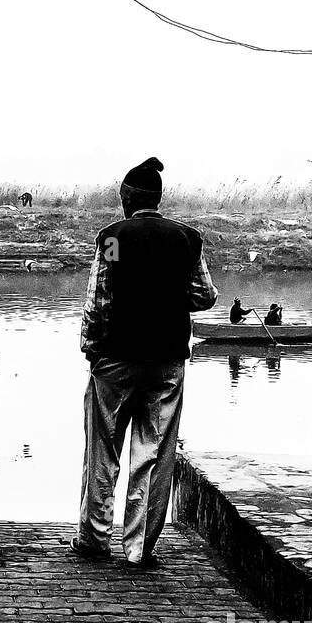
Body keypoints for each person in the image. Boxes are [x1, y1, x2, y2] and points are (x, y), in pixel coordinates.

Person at [72, 157, 219, 568]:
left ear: (129, 198)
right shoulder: (186, 240)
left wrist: (91, 348)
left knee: (103, 449)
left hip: (115, 360)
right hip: (167, 362)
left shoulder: (114, 239)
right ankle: (138, 548)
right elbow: (204, 297)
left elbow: (99, 299)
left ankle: (94, 538)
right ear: (158, 198)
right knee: (152, 453)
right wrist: (168, 294)